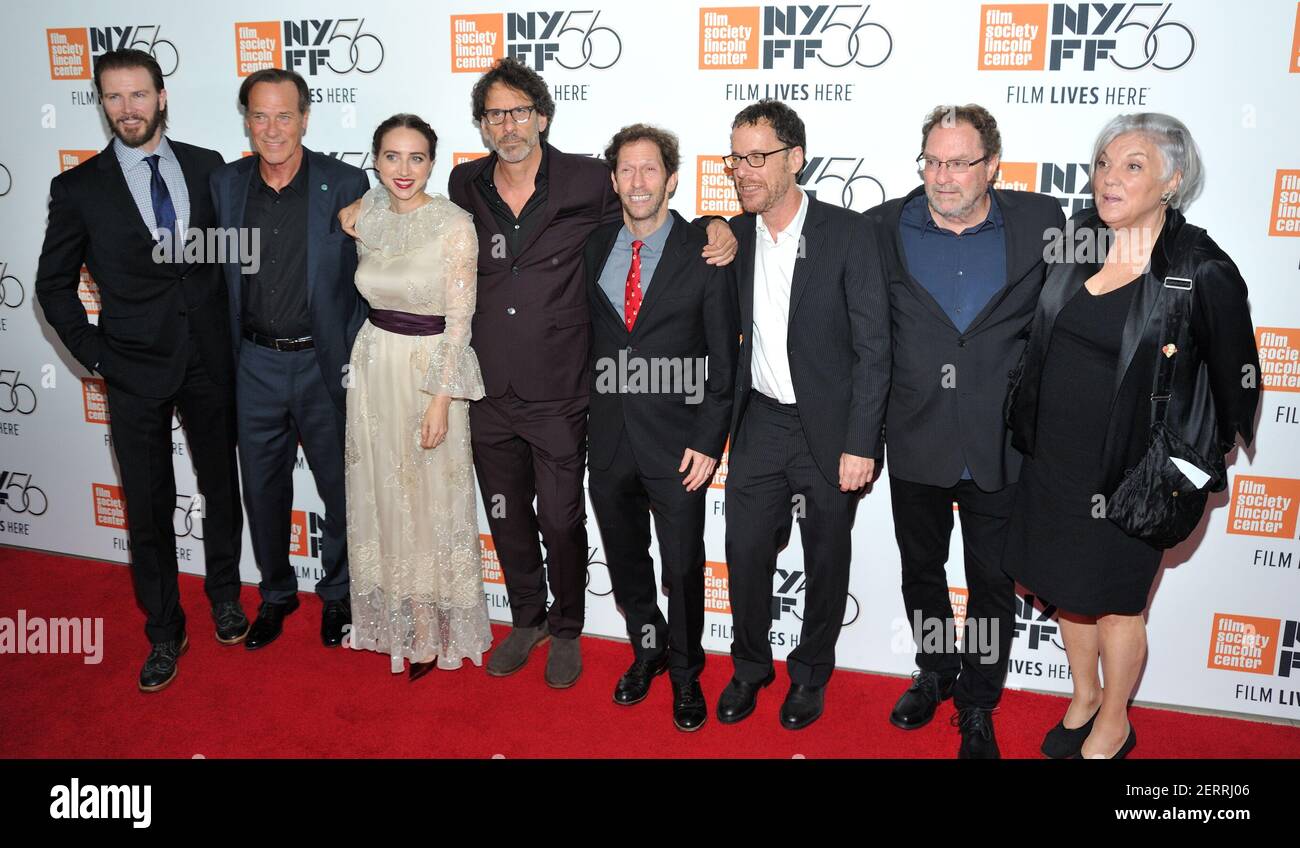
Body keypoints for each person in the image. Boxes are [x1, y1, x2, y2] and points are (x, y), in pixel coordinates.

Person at [340, 58, 736, 688]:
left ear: (542, 117)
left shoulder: (588, 178)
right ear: (482, 123)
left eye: (520, 111)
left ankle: (568, 626)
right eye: (495, 114)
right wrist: (359, 206)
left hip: (562, 385)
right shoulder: (465, 184)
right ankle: (526, 617)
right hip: (485, 384)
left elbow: (651, 209)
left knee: (560, 515)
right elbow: (410, 205)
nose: (509, 124)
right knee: (507, 513)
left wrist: (722, 226)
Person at [1005, 113, 1260, 759]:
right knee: (1067, 592)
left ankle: (1114, 719)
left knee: (1118, 603)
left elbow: (1238, 377)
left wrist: (1205, 456)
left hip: (1134, 469)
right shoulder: (1079, 237)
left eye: (1133, 165)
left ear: (1172, 180)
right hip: (1054, 457)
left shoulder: (1200, 267)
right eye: (1103, 163)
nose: (1109, 178)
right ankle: (1084, 696)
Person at [35, 49, 244, 691]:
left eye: (139, 95)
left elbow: (231, 257)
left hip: (209, 361)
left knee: (220, 489)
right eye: (113, 98)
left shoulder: (209, 168)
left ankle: (226, 597)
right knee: (147, 506)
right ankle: (163, 630)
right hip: (130, 369)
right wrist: (97, 357)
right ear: (102, 103)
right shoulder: (78, 188)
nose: (127, 109)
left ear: (162, 96)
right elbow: (53, 286)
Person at [863, 105, 1065, 758]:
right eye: (932, 161)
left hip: (999, 445)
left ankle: (977, 701)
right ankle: (935, 669)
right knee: (922, 572)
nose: (942, 176)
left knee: (990, 587)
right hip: (915, 437)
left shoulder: (1040, 223)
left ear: (993, 166)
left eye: (958, 162)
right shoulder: (882, 227)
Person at [715, 100, 890, 730]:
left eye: (758, 157)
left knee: (825, 556)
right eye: (736, 157)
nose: (744, 170)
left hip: (830, 429)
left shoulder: (848, 233)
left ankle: (811, 672)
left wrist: (861, 440)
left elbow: (875, 347)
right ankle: (750, 665)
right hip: (759, 423)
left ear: (796, 158)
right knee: (744, 551)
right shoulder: (732, 237)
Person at [209, 68, 370, 651]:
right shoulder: (224, 185)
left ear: (305, 118)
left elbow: (369, 281)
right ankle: (275, 595)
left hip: (323, 364)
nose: (271, 128)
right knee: (262, 489)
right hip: (252, 361)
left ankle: (339, 595)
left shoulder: (346, 182)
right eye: (259, 115)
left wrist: (353, 354)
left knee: (340, 489)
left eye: (284, 115)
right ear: (246, 121)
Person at [584, 124, 738, 730]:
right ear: (615, 179)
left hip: (678, 443)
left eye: (650, 169)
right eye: (627, 170)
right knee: (626, 561)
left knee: (682, 566)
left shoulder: (704, 247)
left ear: (672, 179)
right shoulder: (595, 245)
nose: (639, 181)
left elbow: (726, 361)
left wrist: (708, 439)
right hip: (610, 437)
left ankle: (684, 670)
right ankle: (648, 648)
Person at [343, 114, 492, 676]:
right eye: (391, 157)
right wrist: (352, 209)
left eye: (417, 158)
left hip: (431, 369)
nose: (403, 170)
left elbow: (461, 320)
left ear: (433, 163)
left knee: (431, 499)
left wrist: (440, 398)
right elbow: (350, 218)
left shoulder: (456, 225)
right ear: (375, 161)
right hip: (374, 363)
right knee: (383, 492)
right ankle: (395, 621)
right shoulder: (369, 212)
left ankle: (433, 628)